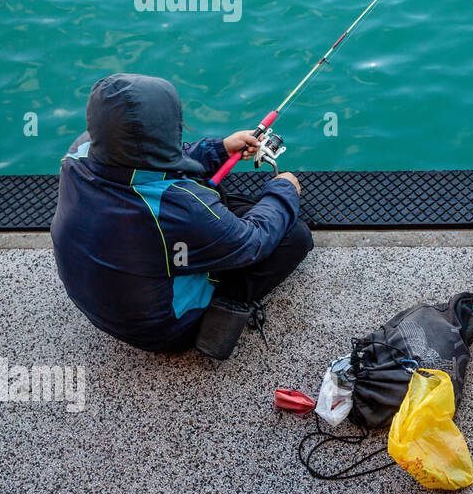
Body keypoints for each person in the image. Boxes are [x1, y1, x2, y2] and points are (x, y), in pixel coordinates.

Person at [51, 73, 313, 357]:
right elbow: (252, 242)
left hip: (98, 303)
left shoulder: (80, 149)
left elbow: (151, 158)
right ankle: (218, 309)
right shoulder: (181, 208)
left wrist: (220, 149)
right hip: (163, 330)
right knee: (294, 236)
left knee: (206, 199)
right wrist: (282, 190)